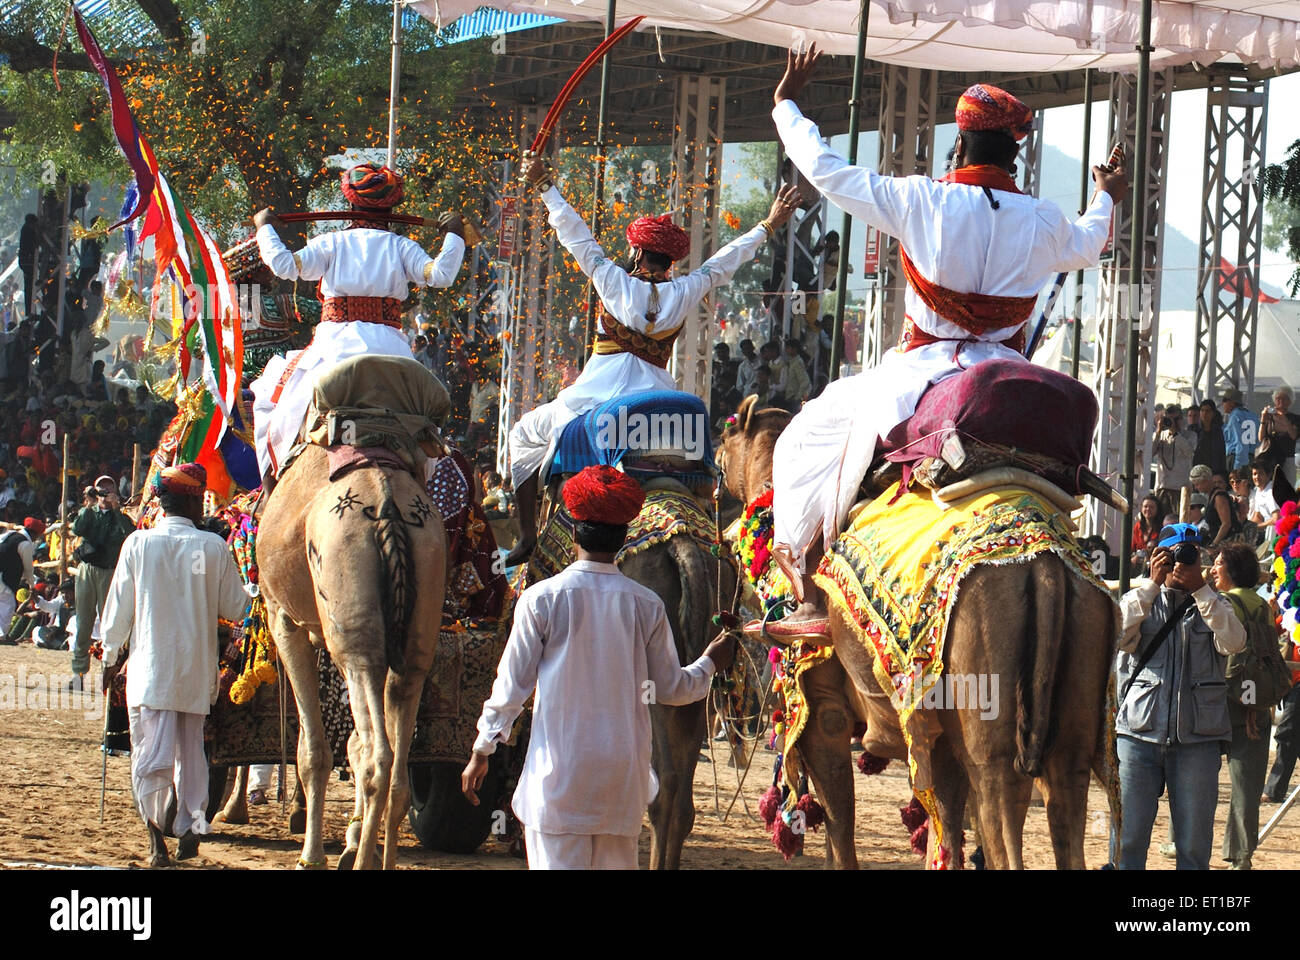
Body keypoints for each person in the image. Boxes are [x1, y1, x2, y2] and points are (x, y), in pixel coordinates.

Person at [764, 46, 1126, 633]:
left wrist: (786, 106)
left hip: (919, 376)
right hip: (1012, 376)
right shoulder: (1043, 220)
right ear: (1019, 149)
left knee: (799, 443)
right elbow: (1090, 243)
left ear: (960, 142)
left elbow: (828, 171)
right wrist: (1108, 193)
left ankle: (806, 594)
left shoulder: (919, 199)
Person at [503, 151, 801, 565]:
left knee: (521, 435)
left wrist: (544, 186)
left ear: (637, 254)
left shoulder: (613, 280)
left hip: (595, 403)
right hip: (664, 405)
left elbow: (576, 236)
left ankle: (526, 539)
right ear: (670, 260)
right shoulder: (684, 291)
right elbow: (725, 263)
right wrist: (768, 225)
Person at [461, 466, 735, 869]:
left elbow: (511, 688)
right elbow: (675, 689)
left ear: (572, 533)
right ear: (625, 539)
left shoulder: (541, 599)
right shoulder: (646, 605)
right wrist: (711, 660)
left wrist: (483, 748)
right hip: (621, 792)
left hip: (557, 788)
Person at [249, 163, 467, 483]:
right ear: (392, 207)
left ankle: (270, 494)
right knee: (430, 430)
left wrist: (265, 227)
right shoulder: (402, 247)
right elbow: (441, 275)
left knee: (269, 396)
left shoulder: (332, 242)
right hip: (395, 354)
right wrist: (455, 236)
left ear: (350, 204)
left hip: (334, 349)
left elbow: (284, 265)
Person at [100, 463, 252, 867]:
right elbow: (237, 607)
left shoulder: (138, 544)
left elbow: (117, 612)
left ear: (163, 503)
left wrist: (111, 655)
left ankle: (156, 840)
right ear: (193, 500)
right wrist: (258, 589)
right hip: (195, 676)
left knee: (149, 757)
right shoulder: (213, 547)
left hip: (150, 674)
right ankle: (188, 829)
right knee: (191, 755)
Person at [1115, 524, 1245, 870]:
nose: (1181, 563)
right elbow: (1116, 635)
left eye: (1190, 555)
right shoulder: (1140, 599)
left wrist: (1202, 591)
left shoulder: (1214, 604)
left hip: (1197, 741)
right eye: (1174, 554)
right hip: (1138, 736)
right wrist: (1151, 585)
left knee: (1193, 846)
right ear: (1159, 556)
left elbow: (1235, 642)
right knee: (1127, 840)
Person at [1212, 543, 1277, 870]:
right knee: (1246, 789)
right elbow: (1264, 659)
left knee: (1197, 779)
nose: (1212, 569)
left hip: (1220, 703)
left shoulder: (1223, 605)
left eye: (1218, 564)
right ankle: (1240, 856)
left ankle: (1180, 840)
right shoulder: (1263, 606)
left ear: (1232, 569)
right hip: (1255, 704)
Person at [69, 476, 136, 690]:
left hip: (109, 571)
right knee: (84, 622)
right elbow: (77, 529)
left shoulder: (121, 517)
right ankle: (78, 672)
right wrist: (87, 505)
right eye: (102, 489)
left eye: (109, 488)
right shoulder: (90, 513)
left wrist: (116, 509)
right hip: (87, 571)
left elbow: (130, 535)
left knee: (109, 623)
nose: (105, 493)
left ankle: (106, 672)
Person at [1152, 404, 1195, 520]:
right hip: (1163, 487)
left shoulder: (1190, 435)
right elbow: (1150, 453)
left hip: (1180, 488)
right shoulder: (1161, 435)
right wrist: (1158, 431)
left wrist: (1176, 434)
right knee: (1161, 521)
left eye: (1176, 419)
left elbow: (1189, 452)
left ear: (1182, 419)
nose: (1173, 422)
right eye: (1169, 419)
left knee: (1180, 520)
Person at [0, 516, 41, 631]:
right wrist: (32, 586)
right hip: (4, 577)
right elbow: (28, 568)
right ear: (34, 534)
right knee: (8, 605)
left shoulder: (8, 535)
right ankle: (2, 635)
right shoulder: (25, 544)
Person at [1190, 463, 1239, 550]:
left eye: (1197, 484)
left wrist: (1214, 544)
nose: (1196, 488)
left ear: (1206, 481)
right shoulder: (1211, 496)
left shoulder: (1219, 497)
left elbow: (1226, 524)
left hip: (1229, 543)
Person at [1258, 385, 1300, 486]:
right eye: (1277, 398)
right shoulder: (1269, 417)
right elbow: (1261, 438)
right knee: (1271, 486)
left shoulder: (1295, 418)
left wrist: (1282, 417)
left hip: (1288, 457)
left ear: (1289, 401)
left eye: (1283, 398)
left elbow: (1293, 435)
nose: (1280, 401)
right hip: (1271, 457)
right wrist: (1263, 419)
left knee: (1288, 486)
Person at [1221, 387, 1261, 472]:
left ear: (1232, 402)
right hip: (1251, 457)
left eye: (1224, 400)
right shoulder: (1253, 416)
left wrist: (1238, 466)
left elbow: (1240, 442)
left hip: (1237, 458)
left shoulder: (1235, 416)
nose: (1222, 403)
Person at [1193, 399, 1228, 476]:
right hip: (1197, 471)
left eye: (1208, 411)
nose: (1205, 413)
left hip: (1215, 471)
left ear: (1213, 413)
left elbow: (1222, 453)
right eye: (1202, 410)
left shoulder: (1220, 431)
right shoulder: (1194, 430)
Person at [1131, 494, 1162, 574]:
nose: (1148, 509)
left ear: (1157, 509)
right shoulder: (1138, 526)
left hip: (1155, 564)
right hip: (1138, 565)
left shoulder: (1162, 527)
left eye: (1152, 507)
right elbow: (1133, 548)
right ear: (1141, 509)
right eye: (1145, 506)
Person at [778, 337, 812, 412]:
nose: (786, 350)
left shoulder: (797, 363)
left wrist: (797, 397)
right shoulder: (791, 361)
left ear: (794, 349)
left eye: (788, 348)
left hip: (795, 399)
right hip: (790, 397)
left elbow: (805, 381)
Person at [1248, 457, 1280, 531]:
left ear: (1268, 475)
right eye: (1254, 474)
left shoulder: (1271, 492)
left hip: (1278, 533)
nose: (1257, 477)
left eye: (1260, 473)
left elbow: (1277, 519)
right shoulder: (1258, 490)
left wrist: (1257, 527)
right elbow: (1258, 516)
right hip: (1267, 531)